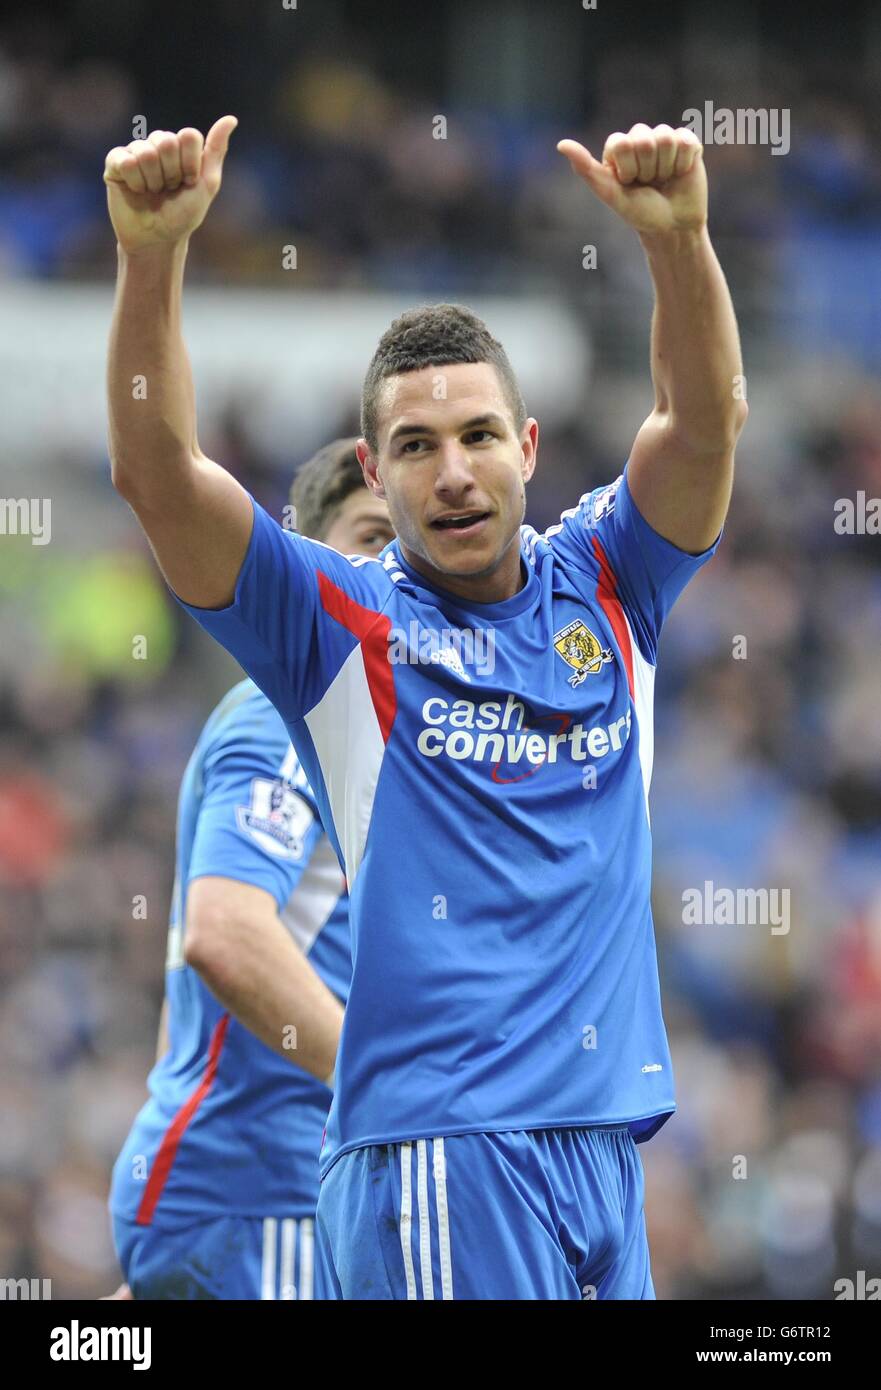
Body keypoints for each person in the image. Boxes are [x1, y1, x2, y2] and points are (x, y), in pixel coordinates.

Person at [104, 115, 747, 1299]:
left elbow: (704, 423)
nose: (451, 471)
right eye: (414, 447)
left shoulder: (609, 583)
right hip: (440, 1159)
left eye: (476, 436)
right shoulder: (339, 628)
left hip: (603, 1152)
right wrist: (152, 260)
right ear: (374, 467)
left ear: (528, 447)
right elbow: (157, 477)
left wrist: (680, 244)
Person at [106, 440, 394, 1299]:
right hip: (261, 1196)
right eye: (371, 537)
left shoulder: (380, 734)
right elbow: (224, 937)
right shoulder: (292, 717)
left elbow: (188, 1018)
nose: (391, 573)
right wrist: (398, 1100)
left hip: (247, 1195)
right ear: (299, 550)